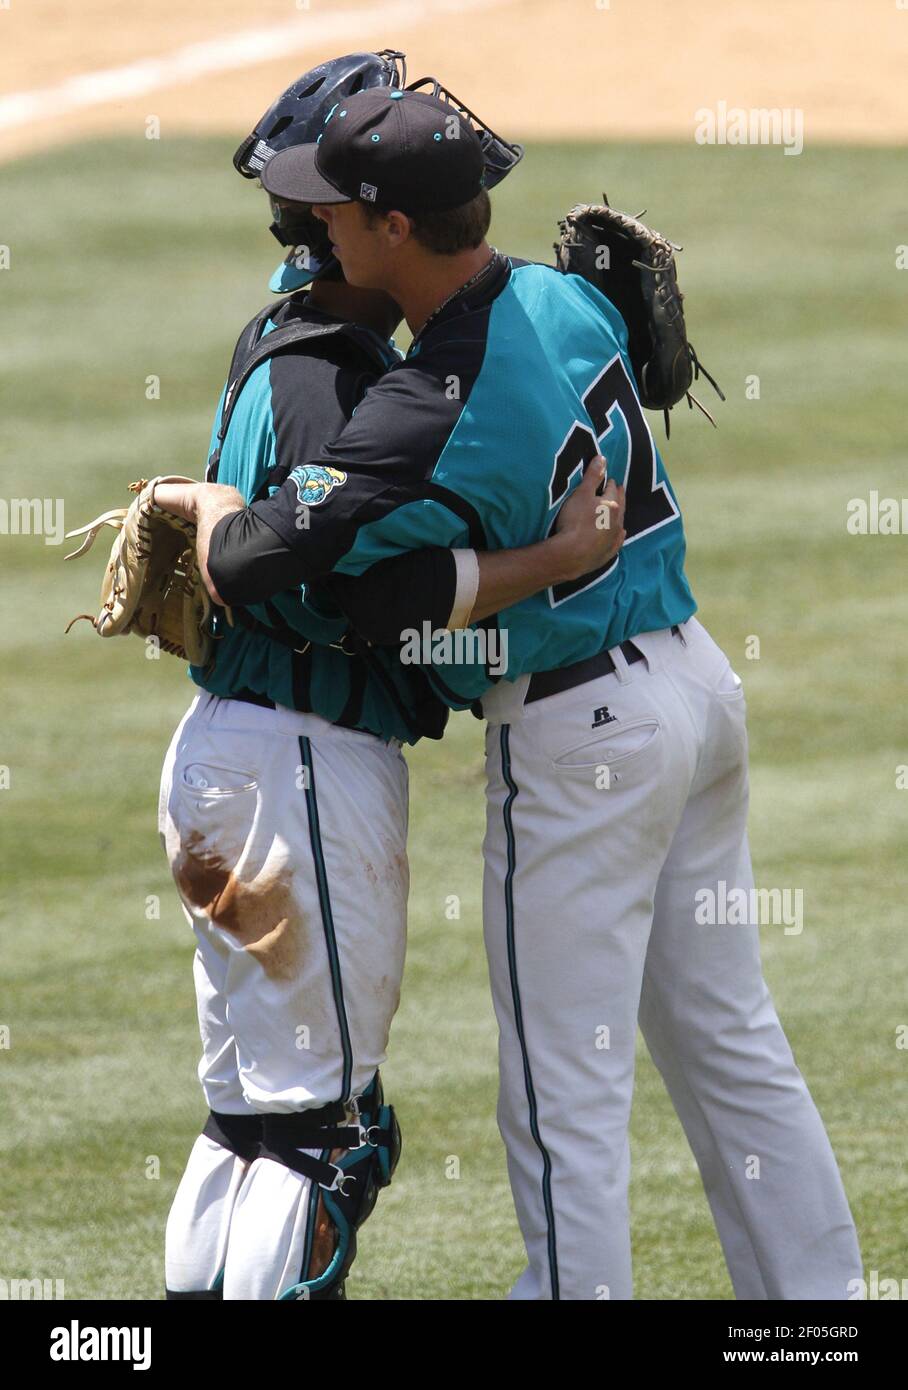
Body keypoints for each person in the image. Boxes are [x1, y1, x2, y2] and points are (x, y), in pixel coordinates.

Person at [159, 83, 863, 1301]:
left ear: (389, 228)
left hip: (584, 736)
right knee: (733, 1051)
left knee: (559, 1095)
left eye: (338, 215)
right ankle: (815, 1316)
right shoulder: (563, 295)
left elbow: (262, 565)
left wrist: (201, 503)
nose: (317, 232)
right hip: (694, 688)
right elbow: (635, 359)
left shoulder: (430, 399)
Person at [158, 54, 622, 1302]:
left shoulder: (284, 336)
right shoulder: (338, 379)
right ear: (345, 225)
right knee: (325, 1135)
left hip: (233, 757)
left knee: (248, 1126)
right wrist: (533, 568)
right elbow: (323, 594)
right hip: (301, 766)